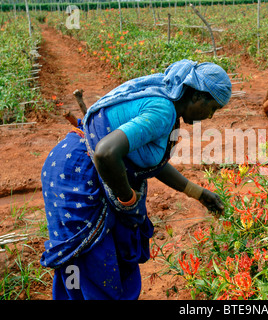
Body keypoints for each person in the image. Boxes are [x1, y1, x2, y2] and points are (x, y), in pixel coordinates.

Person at [40, 59, 232, 300]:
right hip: (78, 173)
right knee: (88, 261)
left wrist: (199, 193)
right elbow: (106, 153)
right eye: (213, 107)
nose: (211, 116)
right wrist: (128, 199)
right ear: (196, 96)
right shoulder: (163, 111)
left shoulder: (163, 101)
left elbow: (150, 162)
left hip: (77, 162)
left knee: (103, 259)